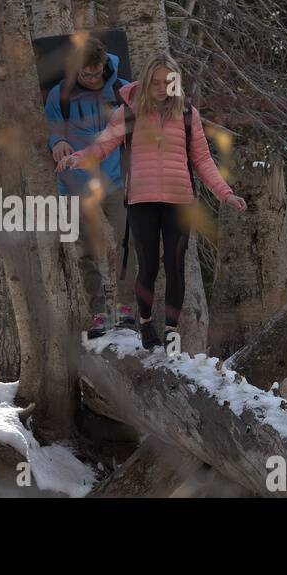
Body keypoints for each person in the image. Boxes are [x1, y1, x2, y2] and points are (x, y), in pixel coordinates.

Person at [60, 52, 247, 350]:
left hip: (179, 199)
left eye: (168, 82)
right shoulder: (128, 113)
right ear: (146, 82)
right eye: (156, 82)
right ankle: (146, 324)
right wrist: (78, 158)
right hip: (141, 200)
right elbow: (104, 144)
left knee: (175, 266)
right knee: (147, 266)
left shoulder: (188, 114)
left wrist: (225, 193)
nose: (162, 87)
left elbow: (201, 159)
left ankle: (172, 331)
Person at [44, 37, 137, 338]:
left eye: (97, 72)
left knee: (128, 243)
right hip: (74, 186)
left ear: (104, 65)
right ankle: (98, 314)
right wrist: (58, 142)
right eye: (86, 74)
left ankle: (125, 310)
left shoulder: (123, 89)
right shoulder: (61, 95)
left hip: (114, 181)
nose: (93, 78)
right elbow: (51, 129)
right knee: (84, 251)